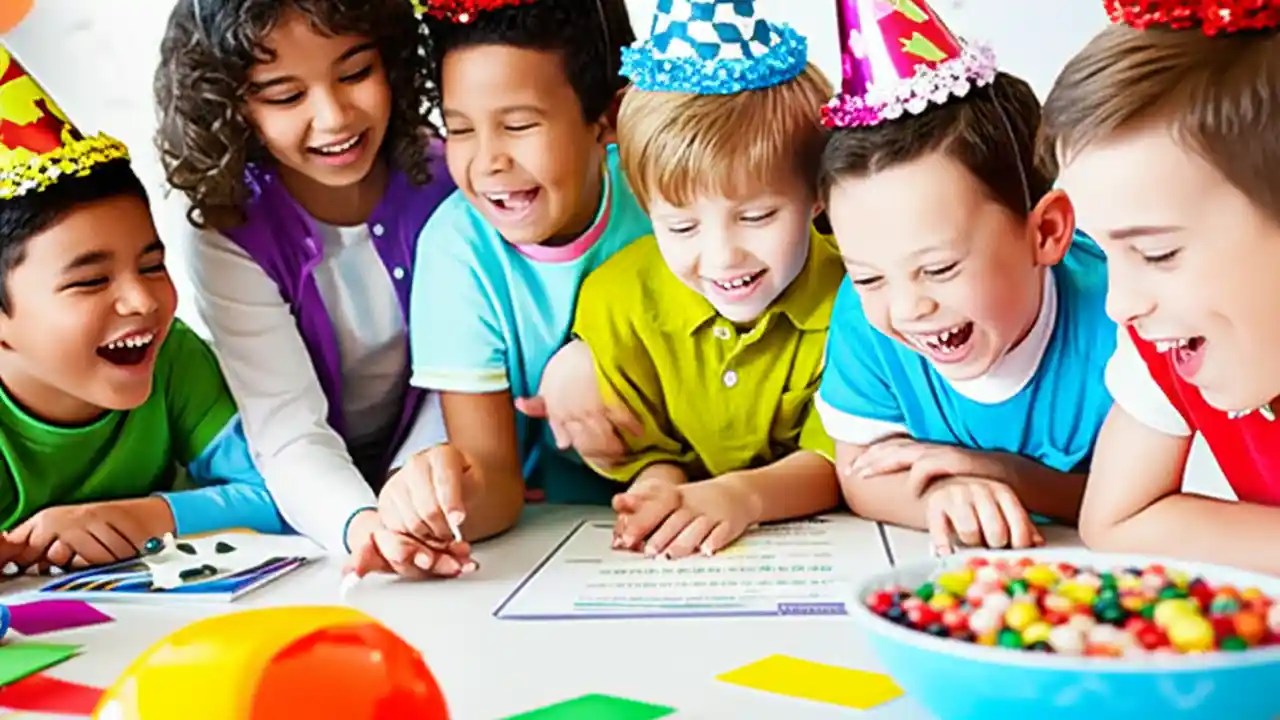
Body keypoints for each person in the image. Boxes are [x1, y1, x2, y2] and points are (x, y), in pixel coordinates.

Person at [154, 0, 465, 579]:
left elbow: (462, 373)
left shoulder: (449, 182)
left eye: (355, 73)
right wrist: (361, 522)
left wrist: (413, 482)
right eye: (284, 95)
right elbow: (286, 426)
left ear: (392, 62)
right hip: (305, 492)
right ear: (232, 106)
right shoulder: (229, 228)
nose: (334, 117)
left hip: (442, 472)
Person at [542, 0, 842, 558]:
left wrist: (739, 497)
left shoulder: (852, 302)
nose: (722, 256)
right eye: (681, 225)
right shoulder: (616, 299)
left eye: (756, 216)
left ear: (817, 192)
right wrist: (660, 487)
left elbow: (837, 460)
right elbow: (645, 442)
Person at [815, 0, 1114, 554]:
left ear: (1045, 231)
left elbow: (1154, 494)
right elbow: (858, 473)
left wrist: (1001, 475)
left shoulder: (1123, 320)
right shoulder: (865, 318)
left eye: (938, 268)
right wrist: (941, 495)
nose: (905, 309)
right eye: (869, 276)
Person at [378, 0, 649, 557]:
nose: (487, 162)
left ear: (607, 119)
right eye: (459, 130)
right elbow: (495, 481)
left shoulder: (664, 201)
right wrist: (437, 502)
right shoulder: (457, 250)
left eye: (519, 125)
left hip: (704, 501)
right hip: (568, 537)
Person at [0, 45, 285, 573]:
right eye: (90, 280)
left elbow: (284, 490)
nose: (143, 300)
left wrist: (142, 519)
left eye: (152, 265)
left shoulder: (174, 357)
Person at [1043, 0, 1280, 574]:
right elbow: (1118, 517)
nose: (1120, 304)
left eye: (1157, 253)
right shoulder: (1173, 345)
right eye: (1108, 252)